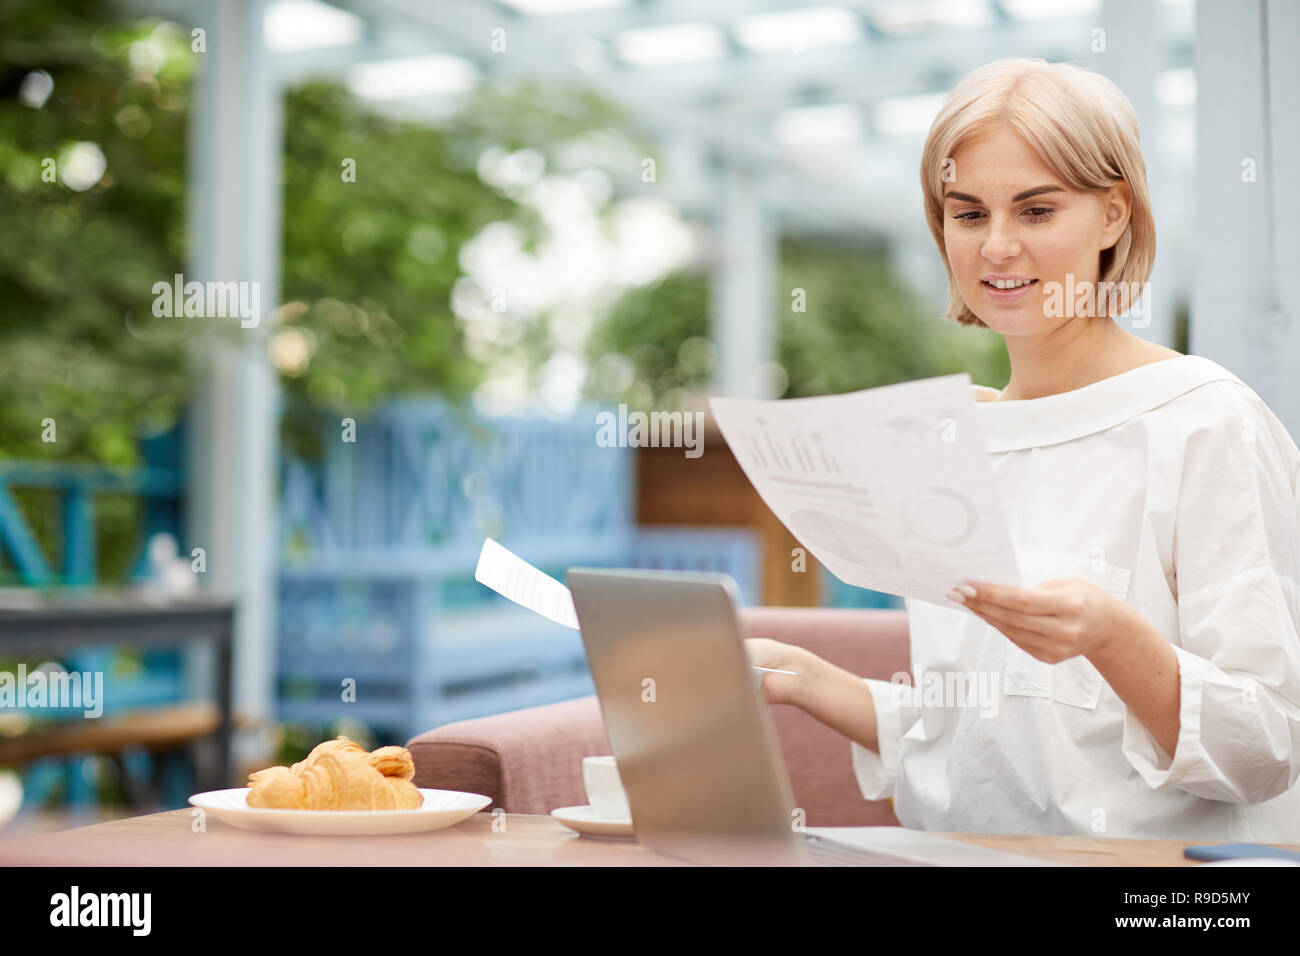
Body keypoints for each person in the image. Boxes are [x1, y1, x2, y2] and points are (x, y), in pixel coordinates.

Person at [746, 58, 1300, 842]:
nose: (997, 247)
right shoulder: (947, 441)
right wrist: (807, 680)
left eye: (1036, 212)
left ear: (1113, 215)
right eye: (967, 214)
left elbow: (1267, 746)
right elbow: (987, 741)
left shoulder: (1204, 422)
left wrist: (1115, 637)